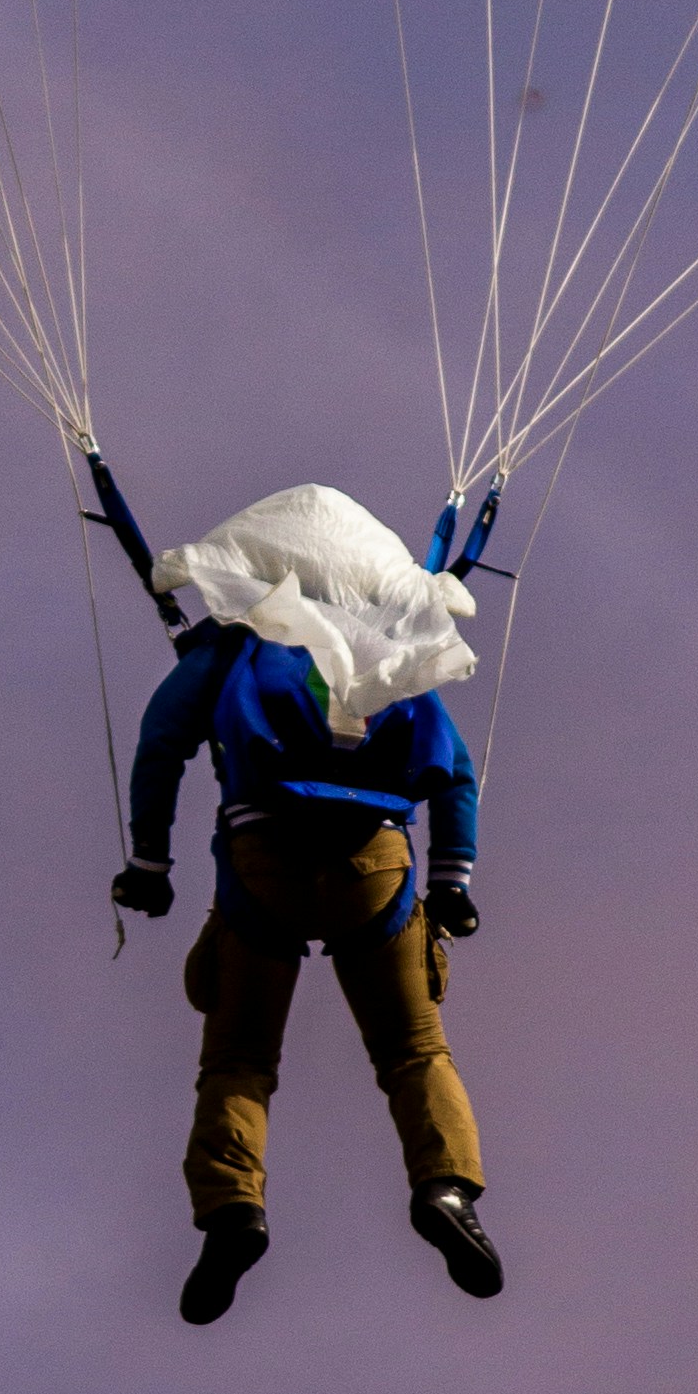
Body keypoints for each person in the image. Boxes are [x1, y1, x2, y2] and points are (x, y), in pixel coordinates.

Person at [107, 483, 502, 1326]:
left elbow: (161, 746)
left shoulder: (233, 647)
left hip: (265, 865)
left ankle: (232, 1212)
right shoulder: (391, 651)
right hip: (376, 868)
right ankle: (446, 1190)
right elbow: (455, 772)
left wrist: (149, 864)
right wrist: (452, 885)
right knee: (413, 1050)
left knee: (240, 1059)